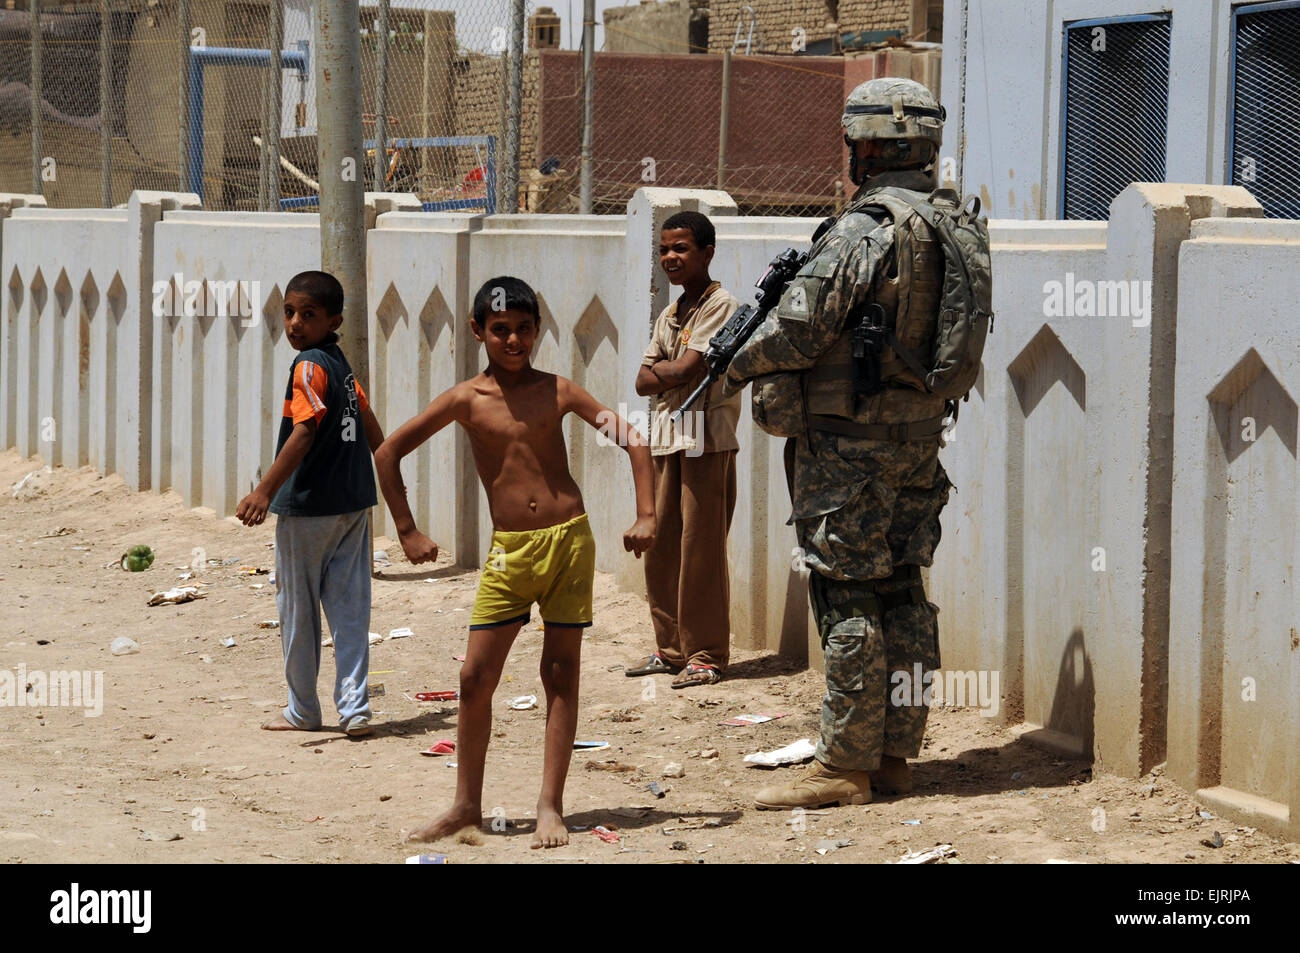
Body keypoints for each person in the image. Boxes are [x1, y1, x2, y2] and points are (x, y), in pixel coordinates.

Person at [724, 78, 967, 809]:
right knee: (904, 590)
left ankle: (843, 767)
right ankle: (896, 755)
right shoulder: (955, 226)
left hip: (849, 447)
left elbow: (800, 326)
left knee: (847, 592)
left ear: (869, 147)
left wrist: (733, 364)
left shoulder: (866, 229)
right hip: (919, 439)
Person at [373, 276, 656, 848]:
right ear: (478, 331)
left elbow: (634, 440)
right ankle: (465, 807)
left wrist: (645, 514)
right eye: (500, 330)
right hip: (510, 553)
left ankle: (551, 807)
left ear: (537, 330)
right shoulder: (464, 400)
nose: (513, 340)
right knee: (474, 677)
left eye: (524, 329)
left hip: (570, 542)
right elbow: (387, 451)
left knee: (560, 673)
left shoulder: (559, 391)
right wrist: (406, 529)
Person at [235, 270, 385, 738]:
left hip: (308, 508)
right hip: (353, 506)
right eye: (289, 312)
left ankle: (302, 710)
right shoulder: (343, 367)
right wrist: (396, 502)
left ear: (333, 320)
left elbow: (304, 431)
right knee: (350, 611)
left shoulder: (307, 367)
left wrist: (264, 491)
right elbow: (373, 428)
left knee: (298, 611)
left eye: (308, 315)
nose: (295, 323)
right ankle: (355, 710)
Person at [625, 211, 742, 689]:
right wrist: (672, 370)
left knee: (701, 551)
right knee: (662, 549)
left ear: (707, 253)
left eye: (681, 249)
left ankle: (707, 653)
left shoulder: (722, 305)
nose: (671, 258)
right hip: (667, 440)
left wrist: (669, 370)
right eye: (664, 250)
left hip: (706, 442)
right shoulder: (670, 314)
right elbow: (642, 381)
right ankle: (670, 649)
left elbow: (684, 370)